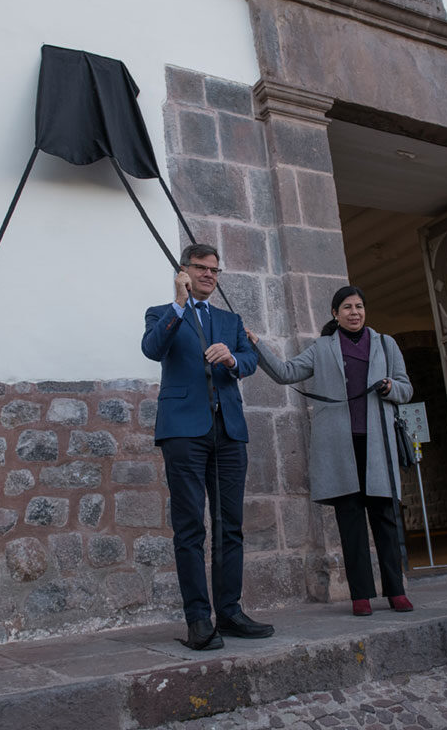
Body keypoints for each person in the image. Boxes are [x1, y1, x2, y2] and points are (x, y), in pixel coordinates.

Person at [246, 285, 414, 616]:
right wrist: (257, 345)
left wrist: (391, 387)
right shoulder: (322, 348)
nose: (355, 312)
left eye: (360, 306)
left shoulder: (385, 344)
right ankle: (361, 595)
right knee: (350, 525)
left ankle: (396, 591)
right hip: (340, 449)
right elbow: (286, 373)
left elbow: (406, 388)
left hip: (377, 444)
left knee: (385, 521)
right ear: (335, 314)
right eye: (348, 307)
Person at [141, 243, 273, 650]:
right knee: (190, 528)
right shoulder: (162, 314)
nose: (209, 275)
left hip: (228, 430)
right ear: (183, 271)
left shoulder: (230, 320)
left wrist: (232, 359)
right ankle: (199, 619)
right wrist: (178, 306)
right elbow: (151, 349)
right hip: (183, 430)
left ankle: (229, 612)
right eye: (201, 268)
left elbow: (250, 360)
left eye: (215, 270)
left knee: (229, 526)